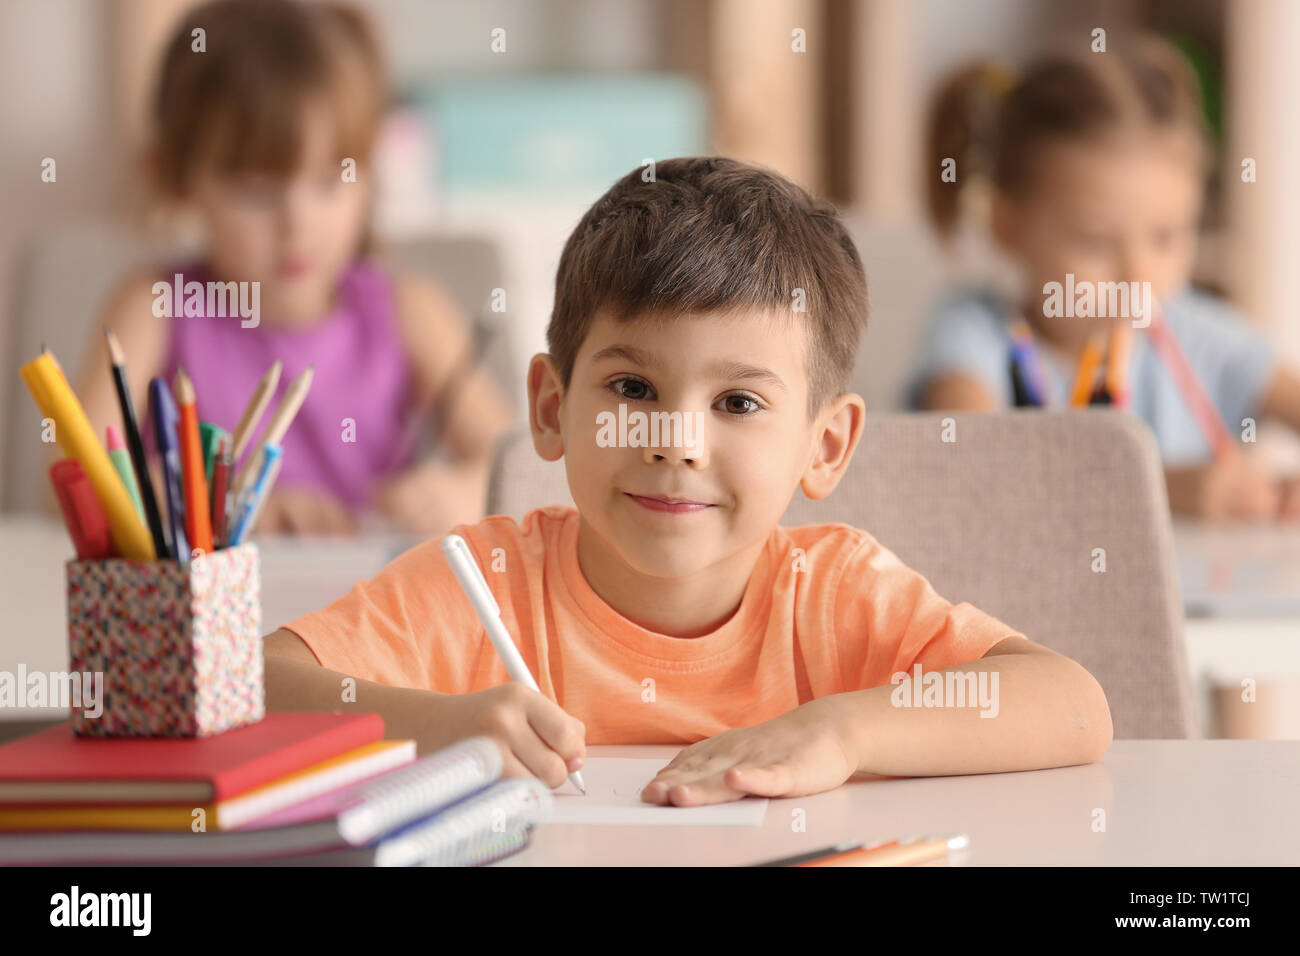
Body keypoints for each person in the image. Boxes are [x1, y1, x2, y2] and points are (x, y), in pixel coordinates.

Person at [263, 158, 1112, 806]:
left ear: (826, 444)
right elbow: (254, 689)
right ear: (552, 409)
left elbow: (1073, 706)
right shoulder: (481, 583)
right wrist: (436, 725)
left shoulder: (835, 598)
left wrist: (843, 730)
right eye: (633, 389)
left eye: (738, 401)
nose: (675, 441)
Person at [74, 0, 514, 535]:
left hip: (373, 609)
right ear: (179, 178)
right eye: (258, 192)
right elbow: (78, 483)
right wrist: (213, 504)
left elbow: (532, 468)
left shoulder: (408, 310)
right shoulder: (155, 308)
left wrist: (473, 491)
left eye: (331, 181)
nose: (297, 225)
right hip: (207, 615)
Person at [910, 38, 1300, 520]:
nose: (1138, 274)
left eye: (1164, 237)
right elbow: (972, 464)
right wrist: (1163, 488)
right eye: (1095, 242)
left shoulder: (1197, 336)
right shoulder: (975, 335)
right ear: (1005, 226)